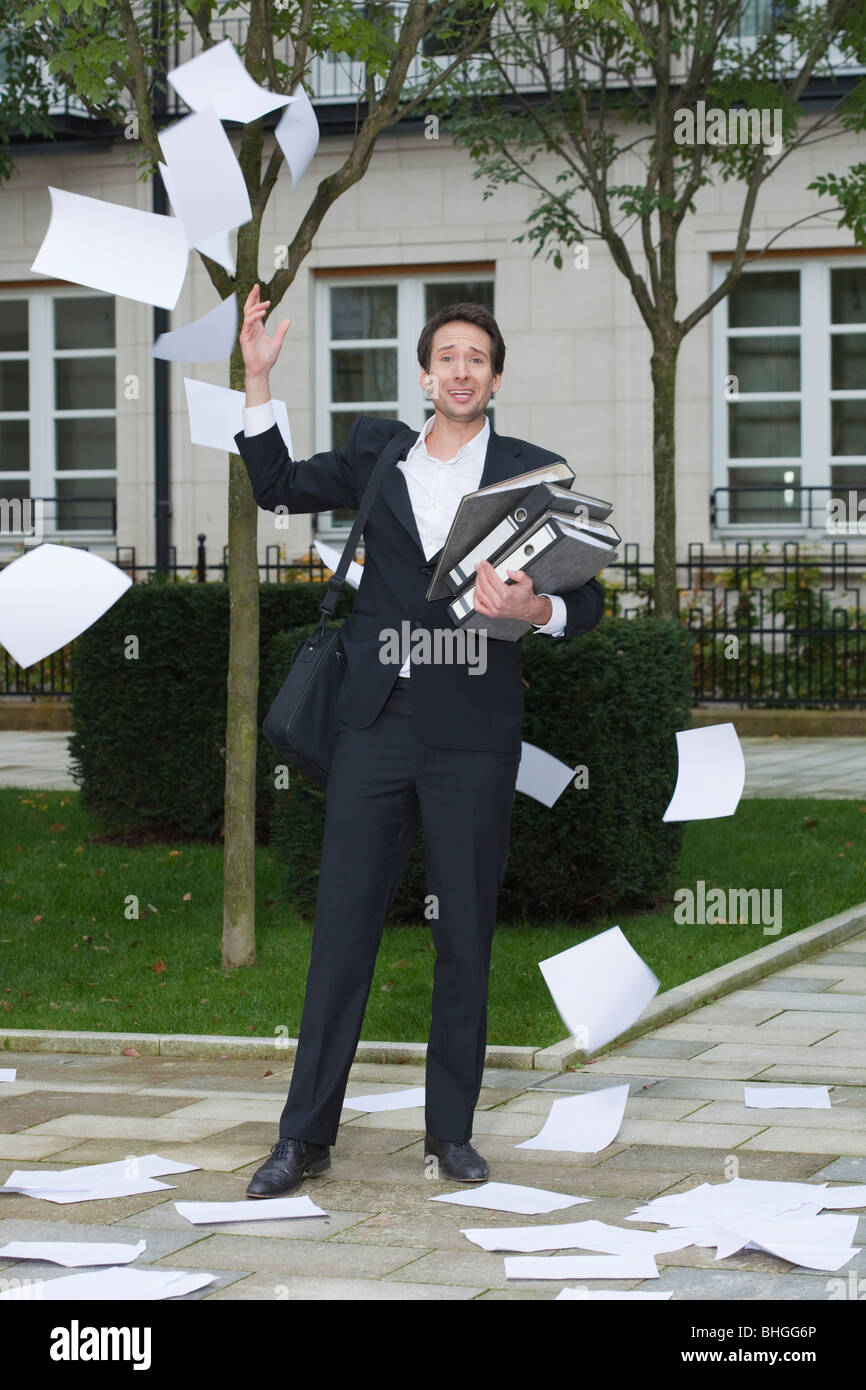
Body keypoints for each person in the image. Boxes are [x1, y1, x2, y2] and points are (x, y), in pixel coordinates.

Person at [234, 286, 604, 1196]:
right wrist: (256, 379)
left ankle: (451, 1137)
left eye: (477, 357)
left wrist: (536, 606)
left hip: (475, 735)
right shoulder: (378, 453)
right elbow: (277, 486)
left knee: (464, 937)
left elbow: (587, 597)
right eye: (448, 356)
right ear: (428, 373)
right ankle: (304, 1138)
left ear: (496, 376)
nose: (462, 370)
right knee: (342, 936)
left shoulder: (532, 472)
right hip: (374, 728)